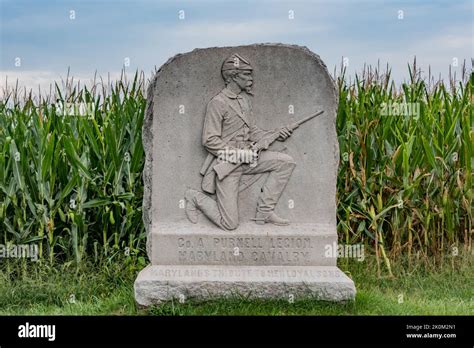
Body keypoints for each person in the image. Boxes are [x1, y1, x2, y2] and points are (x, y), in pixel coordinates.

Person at [185, 53, 296, 230]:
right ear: (233, 77)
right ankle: (194, 197)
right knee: (229, 224)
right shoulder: (218, 103)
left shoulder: (244, 102)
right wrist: (239, 154)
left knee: (286, 163)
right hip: (228, 164)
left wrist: (275, 134)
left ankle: (265, 211)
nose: (251, 78)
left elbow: (253, 132)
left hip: (250, 158)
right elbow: (209, 140)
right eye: (246, 74)